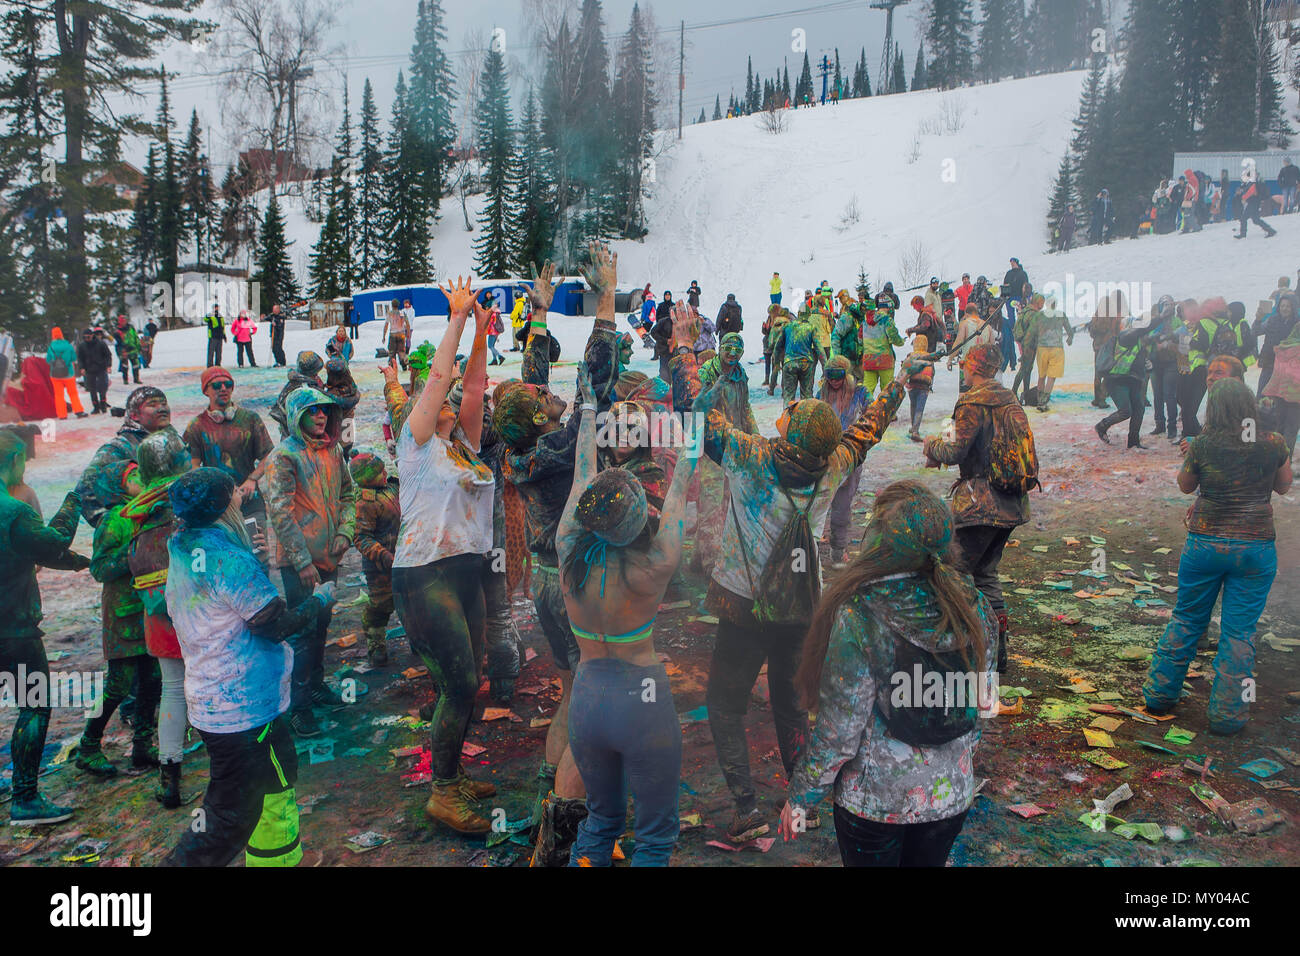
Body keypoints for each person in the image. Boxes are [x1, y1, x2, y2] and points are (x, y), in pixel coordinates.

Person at [673, 327, 905, 843]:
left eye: (792, 415)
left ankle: (747, 810)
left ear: (791, 434)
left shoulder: (750, 458)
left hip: (742, 607)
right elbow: (867, 429)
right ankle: (805, 805)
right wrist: (896, 388)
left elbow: (697, 417)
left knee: (725, 703)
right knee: (791, 703)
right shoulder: (833, 467)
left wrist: (690, 359)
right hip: (801, 605)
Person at [779, 481, 998, 867]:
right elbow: (984, 704)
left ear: (880, 540)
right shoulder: (976, 606)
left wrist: (801, 799)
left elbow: (837, 736)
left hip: (875, 804)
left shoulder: (860, 615)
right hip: (951, 796)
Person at [556, 363, 699, 866]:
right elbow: (680, 489)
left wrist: (590, 409)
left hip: (589, 700)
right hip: (642, 699)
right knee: (656, 837)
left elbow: (581, 476)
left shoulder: (568, 548)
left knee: (600, 822)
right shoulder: (654, 566)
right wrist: (693, 443)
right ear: (638, 518)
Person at [162, 468, 335, 867]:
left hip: (218, 702)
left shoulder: (184, 542)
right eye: (234, 493)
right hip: (241, 710)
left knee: (274, 786)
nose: (242, 495)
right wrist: (320, 601)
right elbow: (273, 625)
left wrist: (250, 556)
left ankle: (275, 860)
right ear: (223, 506)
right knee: (228, 817)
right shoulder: (227, 559)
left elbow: (223, 601)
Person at [390, 276, 498, 833]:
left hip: (464, 573)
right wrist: (456, 319)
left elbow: (474, 388)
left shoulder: (464, 448)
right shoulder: (417, 445)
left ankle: (451, 776)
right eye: (439, 402)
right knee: (457, 685)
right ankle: (442, 793)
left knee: (468, 680)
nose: (450, 403)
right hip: (423, 575)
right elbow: (441, 377)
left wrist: (482, 330)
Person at [1143, 380, 1292, 733]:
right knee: (1239, 632)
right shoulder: (1273, 443)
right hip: (1255, 548)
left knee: (1187, 619)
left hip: (1206, 545)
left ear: (1215, 408)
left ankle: (1160, 696)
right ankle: (1228, 716)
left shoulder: (1204, 444)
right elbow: (1284, 486)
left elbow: (1185, 485)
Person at [923, 343, 1035, 673]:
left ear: (972, 366)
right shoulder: (1009, 398)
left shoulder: (972, 401)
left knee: (951, 575)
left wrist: (932, 446)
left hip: (979, 505)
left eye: (965, 363)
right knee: (986, 575)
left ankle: (955, 655)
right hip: (1012, 503)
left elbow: (955, 450)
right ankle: (996, 654)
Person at [0, 432, 87, 824]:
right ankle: (25, 799)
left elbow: (41, 552)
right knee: (34, 706)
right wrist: (73, 502)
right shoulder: (13, 511)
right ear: (15, 460)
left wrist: (78, 562)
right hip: (13, 629)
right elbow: (51, 543)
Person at [264, 385, 356, 737]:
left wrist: (345, 533)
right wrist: (301, 560)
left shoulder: (333, 451)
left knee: (320, 629)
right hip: (299, 563)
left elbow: (349, 493)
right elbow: (280, 512)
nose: (321, 416)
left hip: (330, 556)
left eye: (324, 411)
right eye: (313, 411)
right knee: (303, 633)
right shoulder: (285, 456)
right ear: (296, 416)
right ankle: (298, 706)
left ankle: (315, 687)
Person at [118, 429, 192, 806]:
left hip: (156, 609)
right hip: (198, 606)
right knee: (214, 681)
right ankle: (233, 763)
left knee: (173, 689)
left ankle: (169, 776)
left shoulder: (139, 507)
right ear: (177, 460)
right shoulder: (190, 494)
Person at [79, 452, 161, 778]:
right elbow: (99, 568)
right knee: (118, 684)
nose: (142, 480)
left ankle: (143, 744)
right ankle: (88, 745)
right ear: (118, 488)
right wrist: (134, 557)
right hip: (122, 614)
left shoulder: (149, 514)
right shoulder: (114, 521)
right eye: (133, 477)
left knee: (152, 679)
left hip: (148, 609)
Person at [183, 367, 275, 522]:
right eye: (217, 386)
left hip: (250, 502)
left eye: (228, 384)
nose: (224, 389)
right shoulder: (197, 426)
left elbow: (269, 455)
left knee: (257, 545)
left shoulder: (250, 419)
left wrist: (252, 479)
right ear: (206, 391)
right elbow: (192, 466)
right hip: (215, 507)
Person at [76, 385, 172, 528]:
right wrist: (118, 525)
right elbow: (84, 492)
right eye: (153, 405)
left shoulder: (173, 442)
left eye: (164, 404)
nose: (162, 408)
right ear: (134, 415)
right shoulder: (119, 448)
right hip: (140, 540)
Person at [818, 355, 875, 568]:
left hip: (851, 454)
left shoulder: (859, 392)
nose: (834, 381)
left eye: (838, 376)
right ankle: (811, 546)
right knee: (820, 501)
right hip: (826, 454)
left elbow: (874, 414)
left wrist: (862, 436)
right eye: (829, 376)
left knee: (842, 504)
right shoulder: (822, 393)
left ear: (847, 374)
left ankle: (838, 549)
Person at [351, 452, 400, 667]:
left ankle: (419, 639)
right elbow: (361, 537)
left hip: (403, 557)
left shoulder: (391, 487)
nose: (385, 473)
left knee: (408, 600)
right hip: (379, 565)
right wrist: (382, 555)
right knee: (381, 605)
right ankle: (376, 644)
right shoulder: (364, 502)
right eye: (379, 473)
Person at [1095, 314, 1153, 449]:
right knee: (1126, 411)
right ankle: (1102, 425)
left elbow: (1139, 362)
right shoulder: (1123, 339)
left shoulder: (1139, 343)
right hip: (1116, 380)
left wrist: (1149, 366)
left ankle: (1133, 442)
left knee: (1139, 409)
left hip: (1132, 380)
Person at [770, 305, 824, 403]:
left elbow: (777, 347)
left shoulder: (788, 326)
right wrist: (825, 365)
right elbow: (819, 349)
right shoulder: (811, 328)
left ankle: (787, 416)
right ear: (809, 315)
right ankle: (806, 416)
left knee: (789, 396)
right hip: (806, 363)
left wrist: (777, 363)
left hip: (790, 362)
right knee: (807, 395)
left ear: (798, 314)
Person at [1148, 296, 1183, 442]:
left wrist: (1168, 342)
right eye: (1165, 305)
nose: (1168, 308)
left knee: (1170, 395)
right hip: (1155, 362)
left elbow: (1182, 339)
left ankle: (1172, 427)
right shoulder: (1155, 321)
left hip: (1171, 362)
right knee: (1157, 395)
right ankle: (1159, 424)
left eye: (1170, 304)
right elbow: (1146, 336)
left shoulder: (1177, 322)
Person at [269, 351, 325, 439]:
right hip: (298, 436)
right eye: (315, 374)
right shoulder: (303, 389)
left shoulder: (296, 382)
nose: (317, 376)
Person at [1088, 289, 1127, 409]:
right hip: (1108, 348)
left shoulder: (1096, 317)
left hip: (1097, 347)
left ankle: (1097, 398)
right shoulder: (1113, 317)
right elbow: (1117, 332)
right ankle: (1103, 398)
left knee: (1097, 373)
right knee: (1108, 372)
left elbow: (1092, 333)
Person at [1032, 296, 1073, 410]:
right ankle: (1044, 401)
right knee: (1052, 376)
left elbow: (1033, 331)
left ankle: (1039, 399)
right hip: (1056, 348)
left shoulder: (1039, 315)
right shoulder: (1061, 314)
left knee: (1042, 375)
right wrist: (1070, 339)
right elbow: (1069, 330)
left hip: (1042, 348)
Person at [858, 298, 903, 398]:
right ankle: (885, 412)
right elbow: (894, 338)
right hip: (885, 360)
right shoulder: (887, 321)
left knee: (867, 388)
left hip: (869, 360)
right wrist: (902, 342)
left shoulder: (864, 323)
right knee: (887, 389)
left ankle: (864, 410)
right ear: (889, 308)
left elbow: (860, 340)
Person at [46, 327, 86, 419]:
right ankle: (79, 411)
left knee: (58, 395)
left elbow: (48, 360)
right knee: (73, 393)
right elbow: (73, 358)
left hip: (55, 375)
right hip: (68, 374)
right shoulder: (68, 346)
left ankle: (62, 415)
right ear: (61, 335)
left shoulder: (51, 347)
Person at [903, 334, 937, 442]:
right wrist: (931, 384)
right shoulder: (929, 356)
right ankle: (915, 431)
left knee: (913, 405)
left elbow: (905, 368)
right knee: (919, 408)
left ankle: (913, 426)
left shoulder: (910, 355)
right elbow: (932, 372)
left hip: (912, 384)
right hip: (924, 385)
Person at [1011, 294, 1043, 404]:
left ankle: (1026, 392)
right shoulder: (1033, 314)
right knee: (1024, 369)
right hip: (1029, 345)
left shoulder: (1026, 311)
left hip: (1026, 344)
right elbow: (1032, 332)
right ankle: (1014, 392)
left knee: (1027, 369)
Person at [77, 327, 113, 414]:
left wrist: (108, 366)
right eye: (85, 337)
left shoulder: (101, 343)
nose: (87, 339)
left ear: (92, 335)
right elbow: (80, 358)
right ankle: (96, 407)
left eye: (88, 337)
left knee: (102, 387)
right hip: (89, 369)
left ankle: (103, 404)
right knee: (92, 389)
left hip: (101, 368)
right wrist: (82, 368)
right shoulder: (82, 346)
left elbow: (108, 355)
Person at [381, 299, 411, 370]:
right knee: (401, 352)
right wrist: (408, 334)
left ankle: (392, 367)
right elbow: (407, 324)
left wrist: (384, 336)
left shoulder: (390, 313)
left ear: (392, 305)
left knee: (392, 352)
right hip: (401, 334)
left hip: (393, 335)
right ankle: (404, 365)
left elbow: (386, 325)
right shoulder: (402, 313)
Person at [650, 291, 674, 379]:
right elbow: (654, 332)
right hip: (664, 348)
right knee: (664, 372)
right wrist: (665, 340)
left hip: (675, 351)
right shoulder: (661, 306)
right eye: (666, 295)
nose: (667, 297)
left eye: (669, 295)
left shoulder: (678, 323)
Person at [114, 315, 142, 385]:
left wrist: (139, 347)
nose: (125, 322)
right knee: (125, 366)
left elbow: (136, 337)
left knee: (136, 365)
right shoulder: (117, 332)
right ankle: (125, 380)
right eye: (123, 321)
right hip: (124, 351)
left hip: (133, 350)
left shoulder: (131, 328)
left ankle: (136, 379)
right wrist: (120, 353)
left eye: (125, 320)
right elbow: (117, 344)